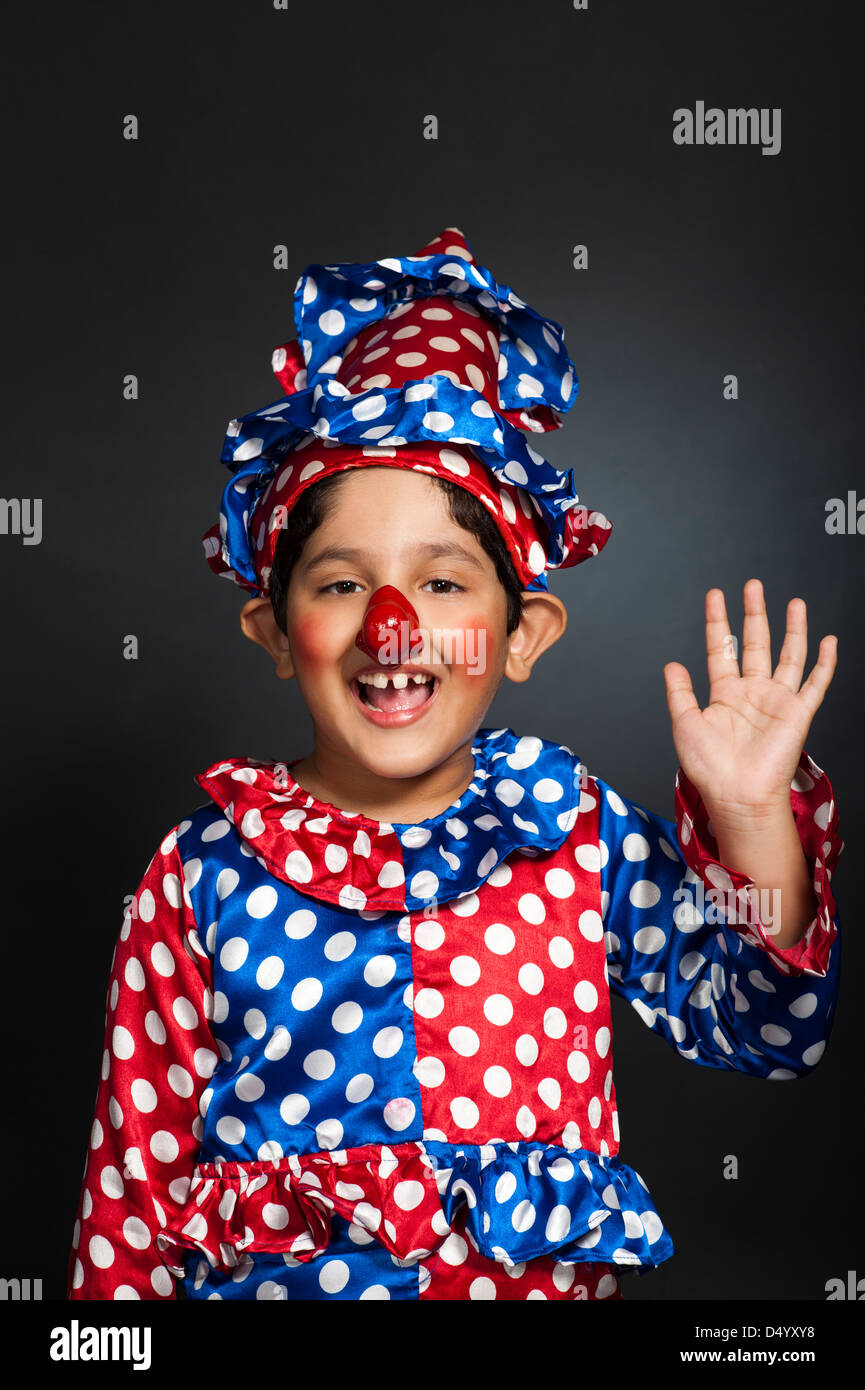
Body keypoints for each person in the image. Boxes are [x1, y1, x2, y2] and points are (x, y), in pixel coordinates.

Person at [66, 227, 841, 1301]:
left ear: (522, 633)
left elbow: (765, 1031)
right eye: (341, 585)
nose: (393, 628)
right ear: (276, 629)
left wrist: (752, 819)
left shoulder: (575, 833)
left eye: (443, 584)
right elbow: (130, 1197)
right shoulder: (197, 872)